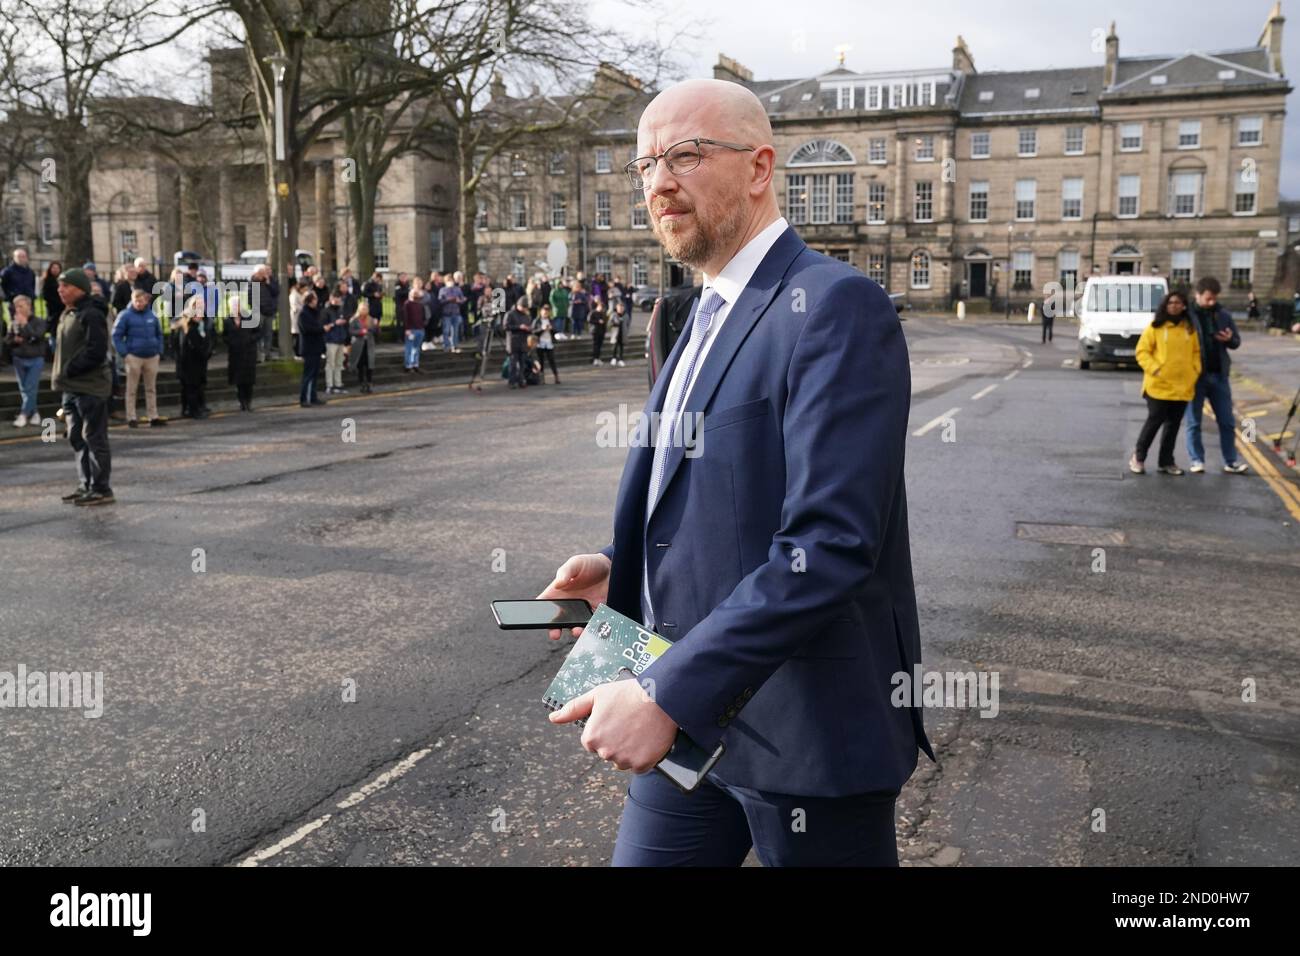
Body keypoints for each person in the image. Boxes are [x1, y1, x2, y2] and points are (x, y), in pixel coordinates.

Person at [538, 78, 931, 867]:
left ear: (758, 168)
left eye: (684, 155)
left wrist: (663, 693)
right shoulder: (692, 314)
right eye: (645, 163)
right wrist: (626, 579)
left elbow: (828, 544)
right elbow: (731, 502)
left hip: (806, 733)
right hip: (687, 728)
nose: (658, 182)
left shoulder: (834, 305)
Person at [52, 268, 114, 505]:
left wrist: (69, 368)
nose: (60, 290)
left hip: (90, 387)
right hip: (71, 387)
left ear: (79, 289)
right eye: (59, 286)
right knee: (77, 437)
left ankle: (102, 488)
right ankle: (85, 484)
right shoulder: (69, 313)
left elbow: (96, 351)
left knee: (94, 437)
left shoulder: (91, 314)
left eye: (65, 286)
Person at [1129, 291, 1199, 475]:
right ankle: (1138, 457)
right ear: (1165, 305)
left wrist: (1194, 372)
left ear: (1184, 306)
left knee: (1173, 425)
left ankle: (1166, 461)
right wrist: (1156, 369)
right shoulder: (1155, 328)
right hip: (1158, 385)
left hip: (1183, 385)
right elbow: (1142, 352)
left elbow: (1196, 353)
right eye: (1171, 302)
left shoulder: (1189, 329)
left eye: (1178, 302)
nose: (1174, 305)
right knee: (1155, 420)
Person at [1183, 276, 1247, 474]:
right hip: (1195, 377)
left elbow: (1236, 341)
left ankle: (1230, 461)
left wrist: (1229, 339)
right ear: (1198, 295)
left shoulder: (1223, 315)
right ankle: (1196, 460)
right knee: (1194, 422)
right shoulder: (1187, 316)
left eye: (1214, 299)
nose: (1212, 303)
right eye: (1208, 299)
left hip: (1219, 375)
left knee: (1227, 421)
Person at [111, 287, 166, 427]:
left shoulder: (152, 315)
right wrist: (125, 353)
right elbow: (116, 335)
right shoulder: (125, 315)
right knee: (131, 389)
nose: (139, 304)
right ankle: (131, 417)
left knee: (151, 388)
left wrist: (159, 350)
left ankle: (153, 416)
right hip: (134, 356)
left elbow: (159, 334)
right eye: (137, 301)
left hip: (152, 356)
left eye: (141, 301)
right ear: (132, 300)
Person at [5, 295, 45, 426]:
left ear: (29, 306)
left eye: (21, 306)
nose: (18, 309)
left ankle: (23, 415)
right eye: (16, 306)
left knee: (30, 387)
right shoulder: (14, 322)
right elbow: (7, 340)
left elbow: (37, 336)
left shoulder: (39, 321)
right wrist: (13, 341)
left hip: (35, 359)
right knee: (24, 390)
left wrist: (25, 324)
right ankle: (35, 413)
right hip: (19, 358)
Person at [172, 295, 211, 419]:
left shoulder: (193, 325)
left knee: (193, 387)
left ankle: (191, 409)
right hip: (189, 363)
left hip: (194, 362)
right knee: (191, 388)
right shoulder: (188, 327)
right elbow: (180, 345)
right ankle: (193, 410)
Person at [225, 293, 259, 412]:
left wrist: (251, 340)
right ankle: (241, 401)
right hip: (236, 354)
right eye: (233, 305)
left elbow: (257, 332)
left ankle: (248, 401)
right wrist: (231, 343)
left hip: (248, 353)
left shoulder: (248, 317)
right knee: (239, 380)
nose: (236, 307)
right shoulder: (227, 320)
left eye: (237, 305)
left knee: (249, 380)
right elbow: (225, 336)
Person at [297, 289, 327, 405]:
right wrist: (322, 329)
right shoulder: (304, 314)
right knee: (308, 374)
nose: (317, 301)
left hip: (316, 346)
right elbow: (307, 329)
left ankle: (313, 397)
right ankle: (304, 398)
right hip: (309, 347)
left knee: (314, 374)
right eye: (314, 299)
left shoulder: (315, 313)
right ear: (310, 301)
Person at [323, 289, 350, 394]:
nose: (337, 300)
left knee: (339, 363)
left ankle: (338, 384)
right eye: (334, 298)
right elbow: (324, 326)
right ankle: (329, 385)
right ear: (330, 299)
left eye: (338, 298)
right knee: (330, 363)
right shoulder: (326, 311)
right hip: (330, 340)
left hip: (340, 340)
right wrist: (335, 323)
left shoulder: (341, 310)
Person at [1, 248, 37, 324]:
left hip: (29, 302)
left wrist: (32, 295)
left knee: (30, 323)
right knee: (16, 324)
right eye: (19, 256)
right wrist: (9, 296)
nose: (22, 259)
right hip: (15, 302)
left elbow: (32, 285)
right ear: (14, 258)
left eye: (24, 256)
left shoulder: (30, 272)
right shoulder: (7, 272)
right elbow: (3, 285)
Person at [349, 301, 378, 393]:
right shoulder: (354, 319)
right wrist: (361, 332)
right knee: (360, 365)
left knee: (370, 365)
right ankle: (362, 384)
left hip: (369, 345)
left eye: (366, 309)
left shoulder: (371, 319)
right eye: (363, 309)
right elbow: (351, 331)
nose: (364, 311)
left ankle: (369, 383)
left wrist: (376, 326)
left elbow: (375, 332)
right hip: (358, 344)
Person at [507, 297, 533, 389]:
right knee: (513, 363)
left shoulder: (526, 316)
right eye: (523, 307)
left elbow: (530, 326)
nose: (525, 309)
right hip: (513, 341)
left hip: (523, 341)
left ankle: (521, 380)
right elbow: (506, 326)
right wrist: (519, 327)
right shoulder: (510, 314)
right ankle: (512, 381)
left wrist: (529, 329)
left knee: (522, 363)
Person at [532, 302, 560, 384]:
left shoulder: (551, 320)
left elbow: (556, 330)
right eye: (544, 311)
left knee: (552, 360)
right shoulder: (537, 321)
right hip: (540, 343)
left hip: (549, 343)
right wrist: (542, 329)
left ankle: (556, 376)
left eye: (547, 312)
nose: (545, 313)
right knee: (541, 361)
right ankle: (541, 378)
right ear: (540, 312)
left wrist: (551, 329)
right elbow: (533, 331)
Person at [402, 280, 427, 373]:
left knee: (416, 348)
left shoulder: (420, 305)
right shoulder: (407, 304)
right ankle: (408, 365)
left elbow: (423, 316)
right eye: (414, 294)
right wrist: (407, 328)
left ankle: (415, 364)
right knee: (409, 348)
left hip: (420, 328)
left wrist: (423, 326)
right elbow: (405, 317)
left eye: (417, 294)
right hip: (411, 329)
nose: (416, 295)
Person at [439, 274, 466, 352]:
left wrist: (459, 301)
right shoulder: (442, 290)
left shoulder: (457, 289)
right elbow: (440, 301)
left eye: (451, 280)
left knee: (455, 330)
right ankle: (446, 346)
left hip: (456, 312)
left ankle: (455, 345)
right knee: (446, 330)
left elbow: (462, 299)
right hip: (446, 313)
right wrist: (448, 300)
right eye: (448, 280)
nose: (450, 282)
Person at [41, 261, 63, 337]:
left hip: (62, 307)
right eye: (53, 268)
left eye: (57, 268)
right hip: (53, 307)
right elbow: (45, 295)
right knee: (53, 326)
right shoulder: (47, 281)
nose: (55, 270)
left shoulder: (62, 280)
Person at [609, 298, 628, 366]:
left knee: (621, 347)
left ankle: (620, 359)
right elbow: (609, 324)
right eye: (619, 308)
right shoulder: (614, 314)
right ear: (617, 308)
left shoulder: (626, 315)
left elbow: (627, 324)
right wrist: (615, 324)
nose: (620, 309)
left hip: (622, 333)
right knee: (614, 347)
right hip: (615, 333)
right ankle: (613, 358)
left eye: (622, 308)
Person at [589, 295, 608, 365]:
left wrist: (604, 328)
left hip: (601, 331)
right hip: (595, 330)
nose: (601, 309)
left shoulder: (603, 314)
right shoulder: (593, 312)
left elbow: (605, 322)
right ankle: (595, 358)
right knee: (596, 345)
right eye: (600, 307)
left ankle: (598, 357)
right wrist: (598, 321)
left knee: (600, 345)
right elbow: (590, 320)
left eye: (602, 308)